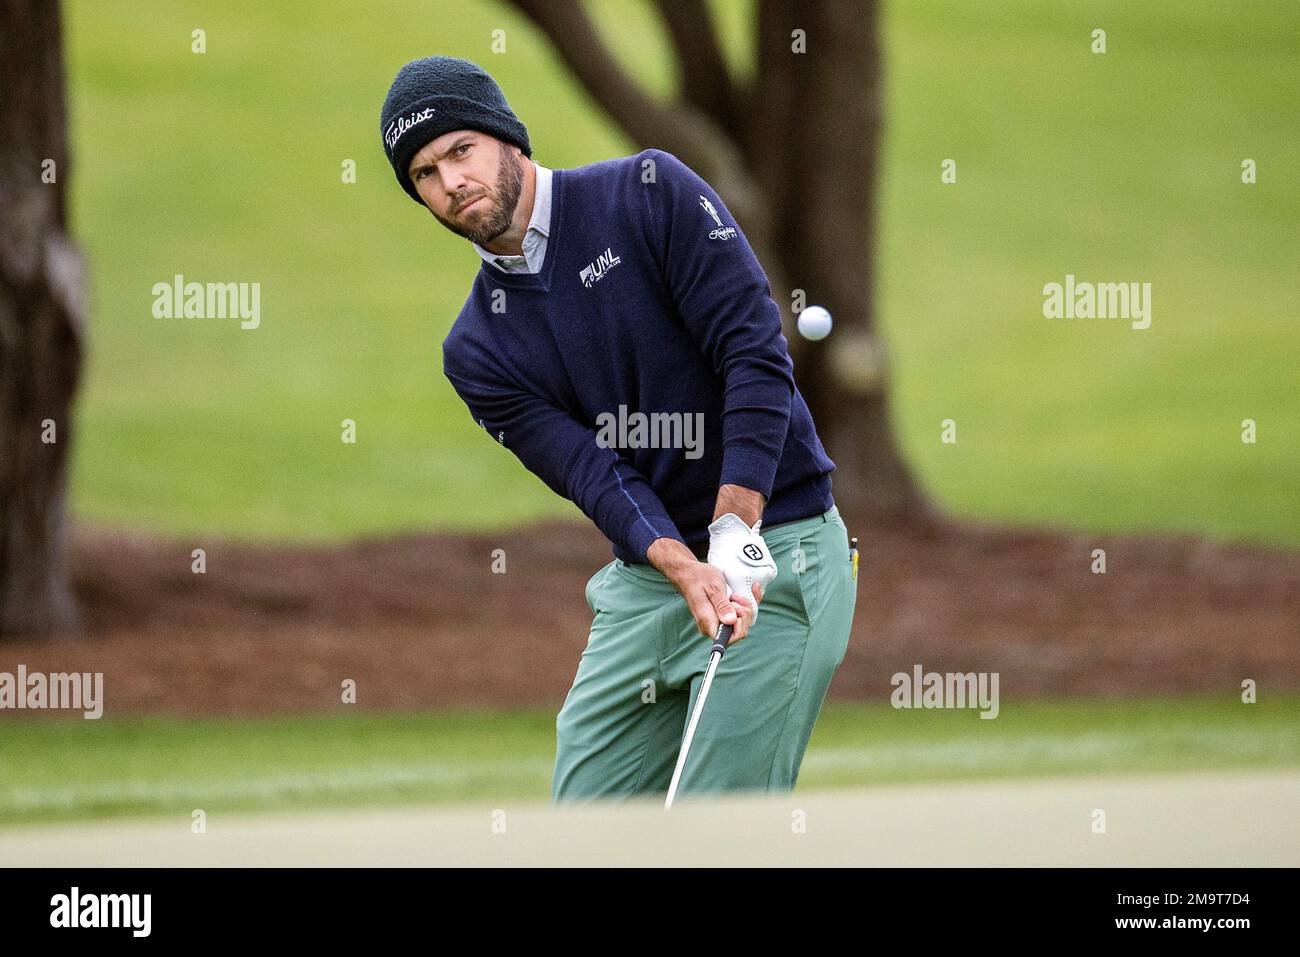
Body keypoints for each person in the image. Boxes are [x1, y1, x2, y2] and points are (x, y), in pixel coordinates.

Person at [380, 55, 857, 802]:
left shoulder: (647, 193)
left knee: (715, 836)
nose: (451, 183)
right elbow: (594, 473)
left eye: (460, 150)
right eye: (425, 174)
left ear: (507, 136)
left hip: (779, 549)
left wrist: (734, 527)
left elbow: (753, 351)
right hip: (649, 581)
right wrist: (684, 566)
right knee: (585, 832)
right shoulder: (477, 350)